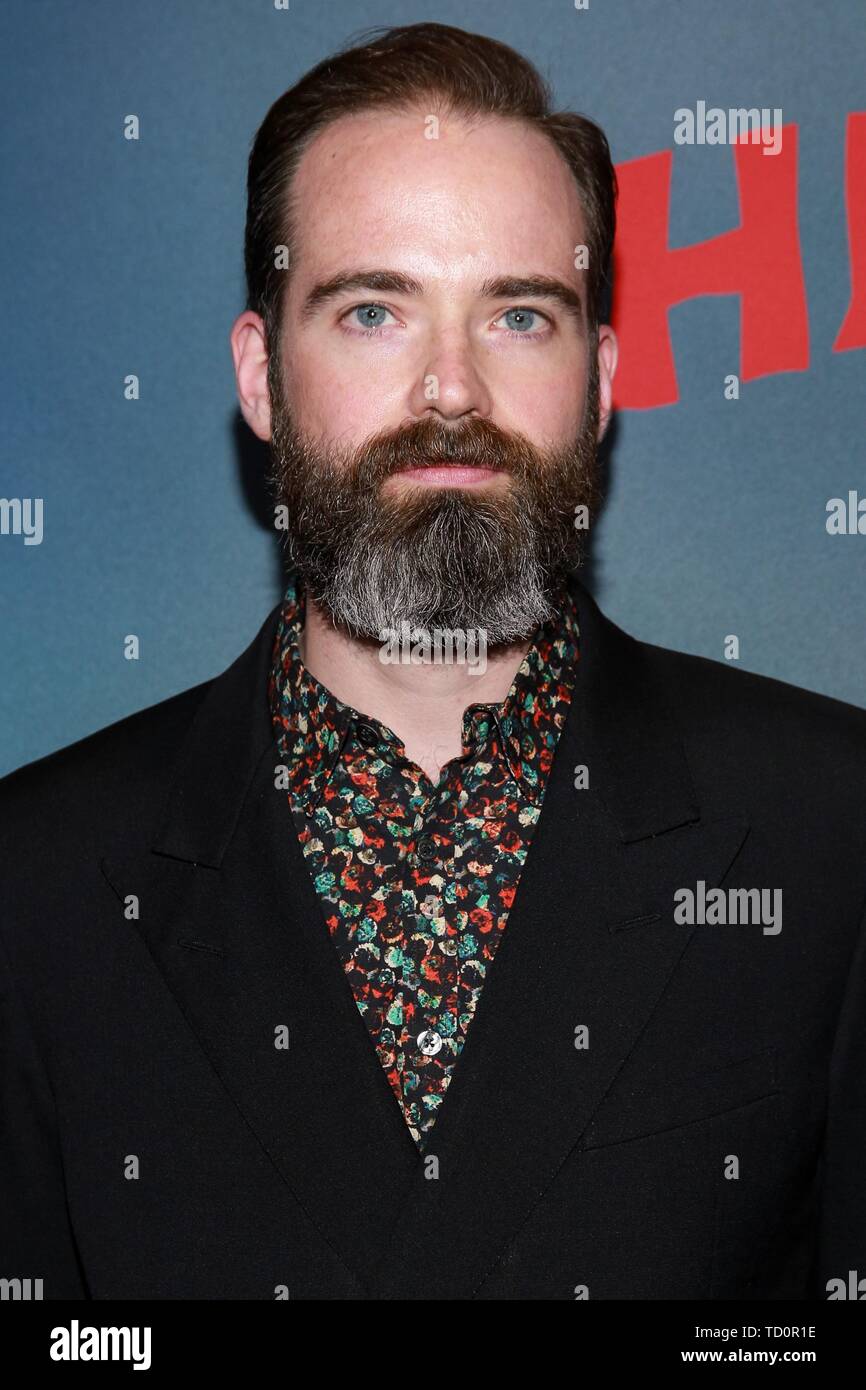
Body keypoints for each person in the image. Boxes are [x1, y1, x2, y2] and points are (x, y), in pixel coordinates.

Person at [1, 22, 864, 1301]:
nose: (450, 388)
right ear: (258, 374)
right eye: (370, 311)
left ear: (602, 378)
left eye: (519, 314)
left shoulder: (827, 827)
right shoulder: (38, 884)